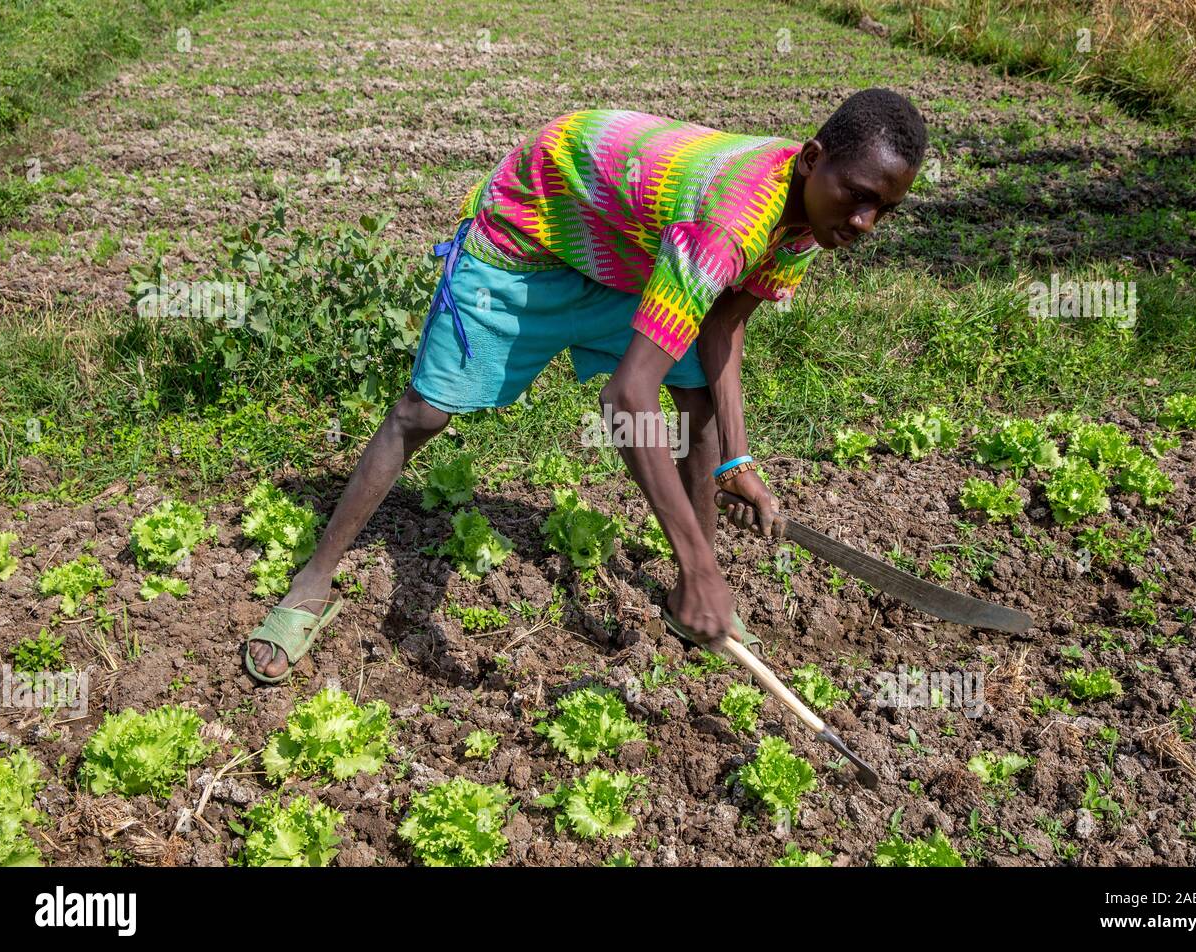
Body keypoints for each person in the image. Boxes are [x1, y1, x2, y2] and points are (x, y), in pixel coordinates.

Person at [244, 88, 926, 682]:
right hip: (528, 234)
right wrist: (697, 563)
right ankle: (310, 583)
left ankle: (699, 602)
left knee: (695, 399)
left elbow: (723, 327)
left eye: (884, 210)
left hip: (624, 248)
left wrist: (737, 463)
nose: (865, 222)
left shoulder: (813, 221)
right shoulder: (730, 222)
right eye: (859, 197)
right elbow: (625, 401)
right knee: (424, 412)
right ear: (811, 159)